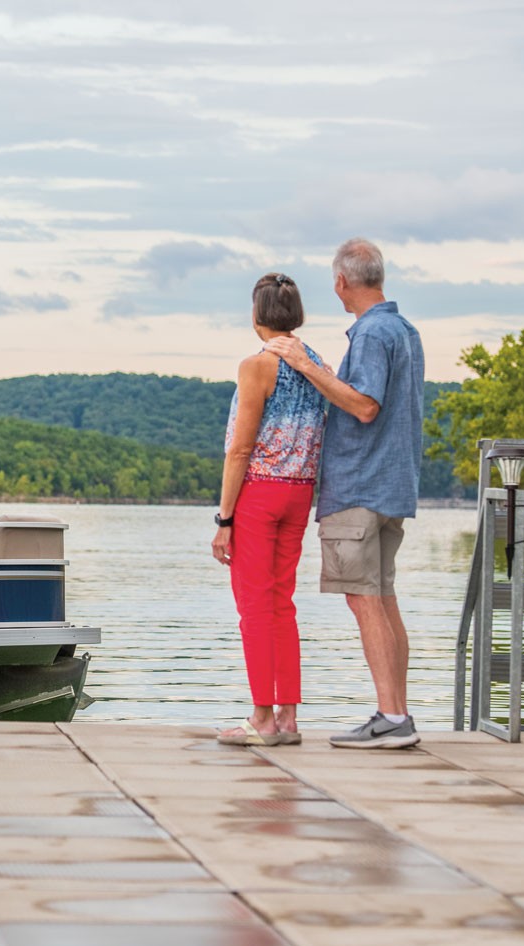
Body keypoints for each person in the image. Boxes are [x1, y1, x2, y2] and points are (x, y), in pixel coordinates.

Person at [266, 237, 425, 749]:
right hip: (390, 485)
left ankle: (391, 718)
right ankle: (396, 715)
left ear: (341, 281)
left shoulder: (374, 333)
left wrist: (309, 368)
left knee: (364, 601)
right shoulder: (404, 330)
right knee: (383, 598)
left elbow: (364, 406)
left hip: (360, 485)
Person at [211, 274, 327, 747]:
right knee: (282, 604)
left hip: (259, 492)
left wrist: (224, 519)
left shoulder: (258, 365)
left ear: (257, 315)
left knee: (254, 608)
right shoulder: (314, 363)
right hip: (300, 493)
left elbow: (240, 450)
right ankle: (288, 718)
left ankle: (261, 718)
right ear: (295, 314)